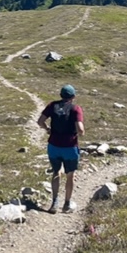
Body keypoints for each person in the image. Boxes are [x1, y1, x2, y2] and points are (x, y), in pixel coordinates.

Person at [36, 83, 84, 213]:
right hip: (70, 147)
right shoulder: (75, 109)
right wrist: (80, 133)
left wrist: (47, 129)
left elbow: (40, 121)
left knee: (56, 172)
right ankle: (67, 204)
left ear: (61, 95)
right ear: (73, 96)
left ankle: (54, 202)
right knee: (70, 175)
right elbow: (80, 129)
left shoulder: (52, 106)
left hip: (54, 146)